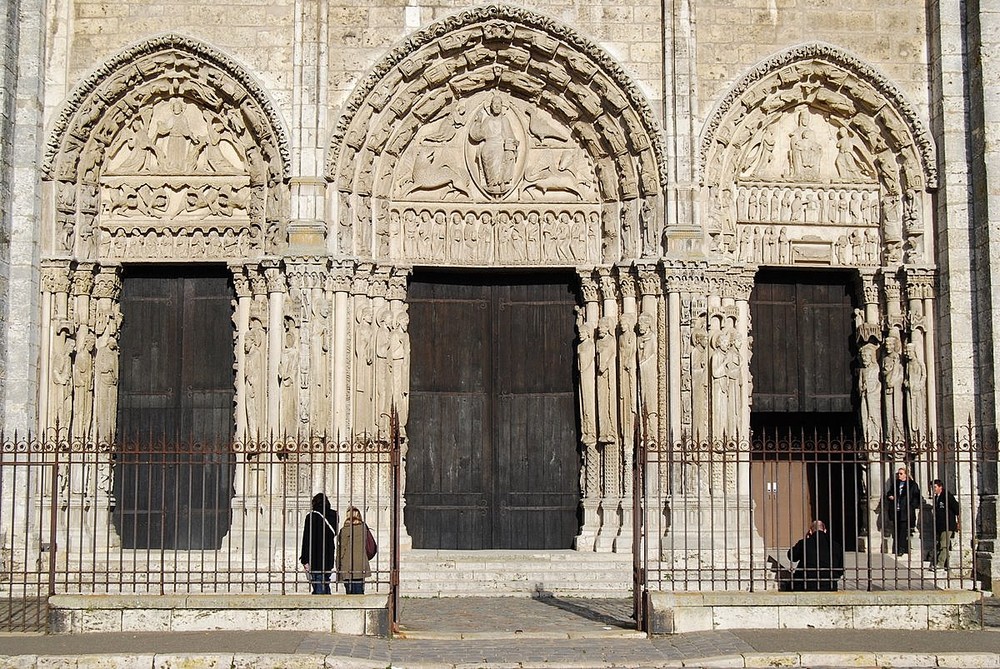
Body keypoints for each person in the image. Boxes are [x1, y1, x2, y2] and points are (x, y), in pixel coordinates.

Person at [787, 520, 844, 591]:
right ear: (825, 530)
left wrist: (806, 539)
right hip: (829, 585)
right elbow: (840, 570)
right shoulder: (836, 546)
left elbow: (791, 556)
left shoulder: (804, 543)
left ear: (810, 531)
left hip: (805, 584)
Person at [299, 493, 338, 594]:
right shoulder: (334, 515)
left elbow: (306, 539)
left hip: (314, 556)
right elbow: (335, 533)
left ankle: (322, 606)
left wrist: (304, 559)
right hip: (328, 554)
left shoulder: (311, 517)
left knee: (317, 583)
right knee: (325, 581)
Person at [885, 467, 921, 556]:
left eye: (901, 473)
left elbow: (916, 496)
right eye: (898, 474)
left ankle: (901, 549)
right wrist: (890, 496)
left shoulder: (912, 485)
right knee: (897, 529)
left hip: (906, 510)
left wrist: (911, 506)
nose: (899, 475)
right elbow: (889, 492)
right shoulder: (895, 484)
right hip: (896, 510)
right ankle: (897, 547)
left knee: (903, 530)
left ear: (906, 474)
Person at [337, 506, 372, 594]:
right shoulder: (364, 528)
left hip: (347, 564)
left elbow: (342, 548)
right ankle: (360, 606)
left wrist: (338, 563)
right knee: (359, 588)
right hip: (360, 563)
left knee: (349, 590)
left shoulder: (345, 530)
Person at [931, 479, 960, 569]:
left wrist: (958, 522)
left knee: (944, 545)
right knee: (940, 544)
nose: (933, 489)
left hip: (947, 524)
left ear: (940, 487)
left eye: (935, 487)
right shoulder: (937, 497)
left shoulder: (947, 496)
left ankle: (940, 563)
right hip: (940, 525)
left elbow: (957, 508)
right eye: (932, 487)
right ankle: (942, 563)